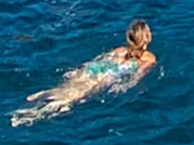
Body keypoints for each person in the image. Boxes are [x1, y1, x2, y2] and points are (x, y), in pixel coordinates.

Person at [11, 19, 156, 126]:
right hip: (111, 73)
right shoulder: (149, 58)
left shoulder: (120, 50)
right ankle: (32, 115)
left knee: (72, 86)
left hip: (97, 68)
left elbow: (100, 61)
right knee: (78, 95)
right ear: (146, 36)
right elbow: (139, 74)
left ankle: (47, 93)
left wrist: (79, 70)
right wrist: (127, 85)